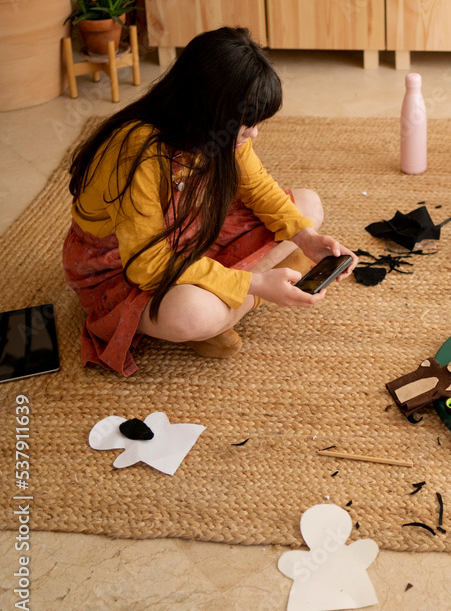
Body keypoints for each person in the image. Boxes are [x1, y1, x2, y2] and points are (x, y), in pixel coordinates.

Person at [63, 27, 356, 376]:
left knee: (308, 207)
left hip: (190, 230)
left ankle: (229, 304)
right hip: (124, 267)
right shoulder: (136, 151)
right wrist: (256, 285)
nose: (253, 134)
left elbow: (259, 189)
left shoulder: (218, 132)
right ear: (207, 109)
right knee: (192, 314)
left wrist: (307, 240)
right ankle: (225, 310)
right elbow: (146, 265)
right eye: (246, 125)